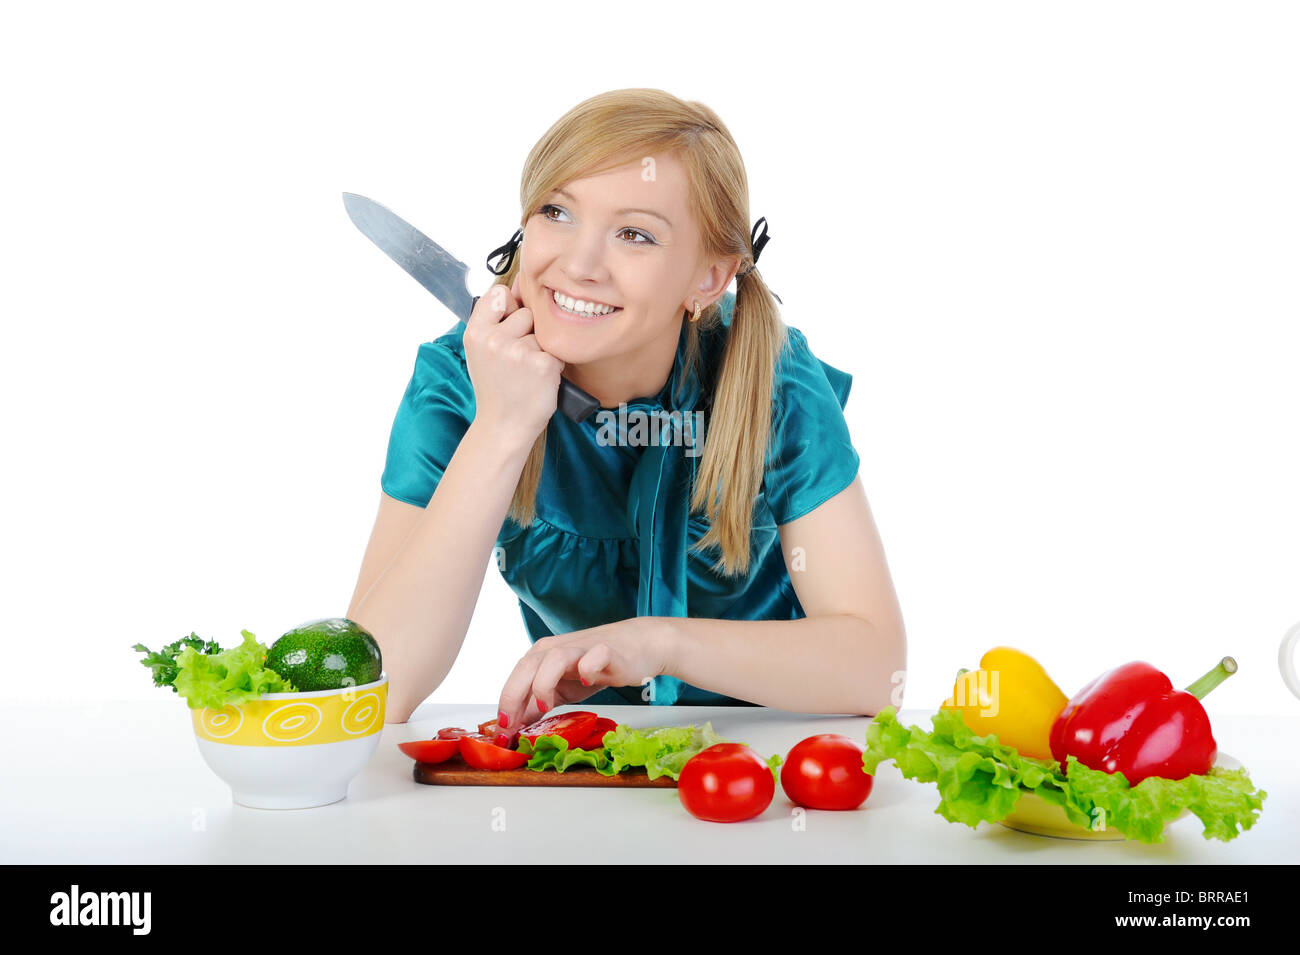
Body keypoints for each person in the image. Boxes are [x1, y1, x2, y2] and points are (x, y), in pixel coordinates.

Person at [347, 88, 906, 732]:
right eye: (557, 212)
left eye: (634, 234)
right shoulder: (459, 381)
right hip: (587, 762)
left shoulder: (771, 380)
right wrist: (502, 425)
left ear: (709, 279)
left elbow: (876, 667)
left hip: (776, 756)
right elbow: (373, 691)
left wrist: (660, 643)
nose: (579, 265)